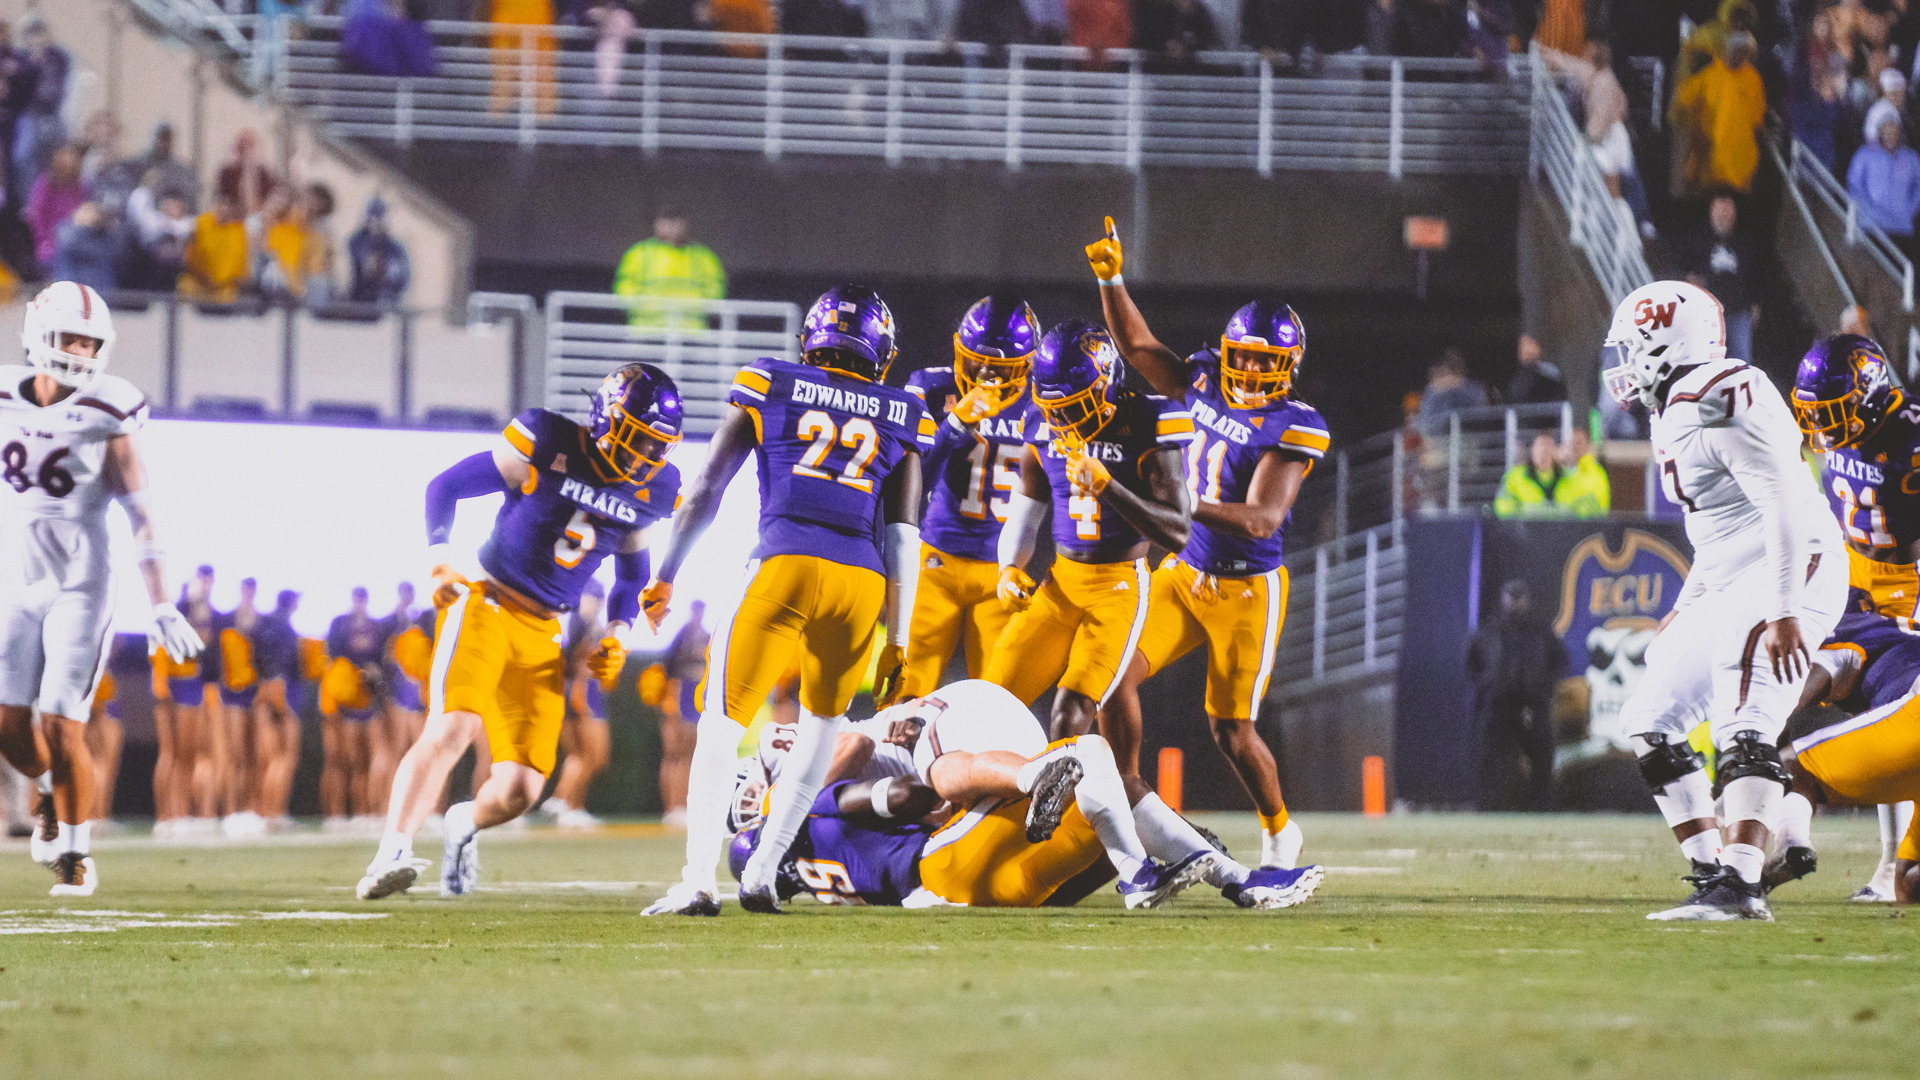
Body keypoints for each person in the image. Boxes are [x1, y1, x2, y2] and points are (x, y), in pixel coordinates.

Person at [639, 286, 933, 917]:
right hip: (860, 583)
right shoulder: (903, 409)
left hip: (783, 563)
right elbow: (904, 534)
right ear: (880, 353)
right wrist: (900, 638)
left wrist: (666, 573)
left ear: (812, 339)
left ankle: (698, 880)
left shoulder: (769, 382)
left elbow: (704, 490)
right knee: (822, 729)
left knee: (720, 724)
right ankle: (764, 872)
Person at [357, 363, 682, 900]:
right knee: (454, 728)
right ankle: (391, 852)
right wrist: (439, 559)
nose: (642, 457)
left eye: (654, 447)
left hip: (546, 632)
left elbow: (631, 574)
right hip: (486, 600)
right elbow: (447, 486)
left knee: (520, 790)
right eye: (635, 440)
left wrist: (619, 634)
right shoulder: (548, 439)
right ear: (606, 420)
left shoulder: (655, 488)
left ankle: (462, 824)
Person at [1602, 279, 1847, 921]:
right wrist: (1689, 603)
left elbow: (1784, 506)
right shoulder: (1674, 410)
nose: (1624, 365)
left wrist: (1786, 607)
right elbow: (1716, 535)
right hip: (1738, 573)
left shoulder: (1719, 397)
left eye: (1633, 347)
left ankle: (1740, 887)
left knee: (1746, 718)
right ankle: (1717, 870)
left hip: (1791, 565)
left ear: (1664, 344)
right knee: (1649, 716)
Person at [1085, 220, 1321, 871]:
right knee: (1110, 676)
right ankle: (1130, 797)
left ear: (1286, 368)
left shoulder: (1293, 424)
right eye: (1240, 355)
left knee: (1231, 730)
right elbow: (1134, 343)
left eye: (1261, 360)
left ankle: (1279, 832)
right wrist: (1111, 278)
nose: (1246, 368)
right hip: (1184, 572)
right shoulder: (1203, 380)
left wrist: (1180, 505)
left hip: (1247, 590)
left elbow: (1261, 519)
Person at [730, 679, 1323, 909]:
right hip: (941, 856)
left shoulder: (810, 858)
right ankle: (1185, 868)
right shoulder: (817, 802)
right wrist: (792, 797)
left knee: (1091, 804)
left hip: (972, 884)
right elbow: (904, 794)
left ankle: (1160, 867)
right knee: (1092, 761)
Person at [0, 283, 204, 894]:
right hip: (17, 578)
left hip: (81, 584)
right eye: (72, 339)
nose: (82, 354)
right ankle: (45, 793)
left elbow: (141, 512)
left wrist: (162, 600)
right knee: (8, 724)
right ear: (40, 335)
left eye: (92, 342)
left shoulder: (108, 408)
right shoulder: (5, 394)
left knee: (64, 723)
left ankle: (76, 852)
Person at [981, 319, 1194, 745]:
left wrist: (1108, 487)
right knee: (987, 704)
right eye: (1053, 407)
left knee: (1070, 713)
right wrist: (1007, 567)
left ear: (1107, 384)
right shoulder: (1040, 423)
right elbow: (1027, 508)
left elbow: (1178, 531)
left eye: (1074, 405)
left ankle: (1057, 810)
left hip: (1119, 589)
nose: (1062, 417)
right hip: (1060, 584)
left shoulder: (1150, 420)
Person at [1790, 334, 1920, 901]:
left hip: (1910, 579)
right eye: (1814, 413)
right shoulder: (1834, 435)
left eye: (1833, 412)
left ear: (1868, 396)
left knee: (1900, 707)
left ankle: (1893, 861)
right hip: (1857, 575)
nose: (1822, 427)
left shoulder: (1912, 437)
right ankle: (1886, 861)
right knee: (1854, 695)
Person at [900, 297, 1040, 700]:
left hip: (1002, 569)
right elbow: (912, 478)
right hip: (936, 560)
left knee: (997, 700)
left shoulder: (1042, 404)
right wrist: (956, 423)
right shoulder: (932, 386)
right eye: (976, 359)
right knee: (903, 692)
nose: (983, 371)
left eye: (999, 366)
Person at [1465, 580, 1566, 810]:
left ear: (1527, 600)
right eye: (1512, 597)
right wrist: (1486, 685)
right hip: (1498, 704)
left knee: (1542, 756)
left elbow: (1560, 661)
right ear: (1504, 599)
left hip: (1534, 703)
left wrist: (1545, 686)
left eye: (1520, 597)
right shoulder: (1490, 630)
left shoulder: (1541, 631)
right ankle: (1486, 805)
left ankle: (1541, 806)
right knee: (1489, 757)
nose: (1515, 603)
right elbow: (1471, 663)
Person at [543, 581, 612, 827]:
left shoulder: (576, 623)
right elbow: (580, 661)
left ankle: (573, 808)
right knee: (592, 755)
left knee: (579, 755)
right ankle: (561, 798)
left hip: (573, 690)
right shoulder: (583, 624)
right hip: (584, 692)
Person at [1670, 30, 1767, 197]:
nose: (1741, 56)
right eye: (1738, 50)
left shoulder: (1753, 79)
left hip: (1741, 163)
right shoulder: (1711, 75)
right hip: (1712, 162)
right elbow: (1684, 96)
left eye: (1746, 52)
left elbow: (1757, 119)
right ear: (1728, 50)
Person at [213, 577, 269, 836]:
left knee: (254, 756)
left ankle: (251, 810)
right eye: (246, 589)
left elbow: (265, 661)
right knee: (233, 755)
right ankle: (230, 811)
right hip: (233, 694)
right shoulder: (227, 620)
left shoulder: (260, 623)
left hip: (254, 693)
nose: (249, 593)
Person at [611, 209, 726, 332]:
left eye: (676, 223)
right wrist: (640, 306)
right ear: (656, 225)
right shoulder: (639, 253)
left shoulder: (703, 256)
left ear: (685, 225)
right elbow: (624, 285)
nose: (671, 228)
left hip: (690, 329)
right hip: (648, 329)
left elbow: (716, 288)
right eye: (666, 223)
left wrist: (697, 306)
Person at [1685, 194, 1762, 364]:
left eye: (1726, 215)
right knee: (1705, 360)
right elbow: (1688, 271)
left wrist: (1755, 304)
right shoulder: (1699, 240)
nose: (1722, 219)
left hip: (1738, 312)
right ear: (1711, 214)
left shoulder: (1744, 242)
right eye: (1719, 214)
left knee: (1741, 362)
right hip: (1709, 314)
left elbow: (1754, 274)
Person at [252, 589, 304, 829]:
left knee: (270, 759)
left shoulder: (264, 625)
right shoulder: (283, 628)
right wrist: (280, 697)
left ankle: (267, 812)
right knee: (284, 758)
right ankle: (274, 813)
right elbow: (280, 664)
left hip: (264, 690)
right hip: (282, 692)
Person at [657, 597, 707, 824]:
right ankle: (673, 807)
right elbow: (671, 669)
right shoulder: (683, 636)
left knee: (687, 755)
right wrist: (671, 704)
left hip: (693, 698)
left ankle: (682, 806)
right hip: (680, 696)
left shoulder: (705, 636)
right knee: (676, 754)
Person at [12, 17, 69, 195]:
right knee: (24, 156)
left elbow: (61, 87)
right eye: (32, 33)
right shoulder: (21, 58)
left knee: (53, 159)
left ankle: (47, 198)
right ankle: (26, 198)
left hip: (52, 115)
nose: (37, 37)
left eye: (40, 32)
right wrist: (34, 61)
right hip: (29, 114)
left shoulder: (58, 57)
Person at [1847, 116, 1920, 256]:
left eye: (1895, 130)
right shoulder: (1865, 154)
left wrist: (1911, 208)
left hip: (1901, 227)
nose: (1891, 134)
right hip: (1871, 226)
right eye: (1887, 129)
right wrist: (1867, 212)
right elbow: (1854, 186)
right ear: (1880, 132)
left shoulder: (1911, 157)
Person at [24, 143, 88, 272]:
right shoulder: (44, 183)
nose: (69, 162)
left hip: (73, 239)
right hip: (47, 241)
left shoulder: (81, 186)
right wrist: (46, 241)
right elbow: (36, 216)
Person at [180, 192, 252, 303]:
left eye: (226, 208)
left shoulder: (238, 231)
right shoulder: (200, 224)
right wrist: (201, 275)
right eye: (219, 207)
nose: (222, 212)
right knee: (184, 285)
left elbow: (241, 267)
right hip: (198, 282)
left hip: (224, 287)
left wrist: (221, 280)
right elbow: (189, 258)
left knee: (230, 296)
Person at [489, 0, 558, 116]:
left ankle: (543, 111)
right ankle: (501, 110)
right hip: (509, 20)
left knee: (541, 70)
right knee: (503, 70)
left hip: (535, 20)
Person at [342, 0, 438, 77]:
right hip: (373, 83)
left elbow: (421, 66)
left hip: (403, 86)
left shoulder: (413, 25)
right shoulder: (364, 21)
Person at [1493, 433, 1572, 519]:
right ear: (1533, 450)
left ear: (1556, 450)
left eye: (1548, 447)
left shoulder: (1569, 476)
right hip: (1526, 529)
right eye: (1540, 447)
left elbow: (1581, 505)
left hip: (1563, 529)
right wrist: (1519, 515)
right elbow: (1502, 504)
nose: (1544, 451)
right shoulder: (1515, 476)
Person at [347, 198, 410, 305]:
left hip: (386, 303)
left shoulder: (395, 249)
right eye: (371, 219)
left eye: (379, 218)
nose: (375, 223)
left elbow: (401, 278)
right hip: (359, 303)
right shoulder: (356, 243)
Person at [52, 202, 122, 295]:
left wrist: (104, 226)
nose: (92, 215)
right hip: (73, 293)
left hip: (103, 294)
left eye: (95, 211)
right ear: (76, 213)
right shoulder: (67, 233)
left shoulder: (105, 237)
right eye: (87, 211)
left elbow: (115, 255)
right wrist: (83, 228)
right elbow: (68, 246)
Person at [1134, 0, 1219, 69]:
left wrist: (1186, 46)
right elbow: (1140, 36)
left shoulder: (1194, 8)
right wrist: (1163, 46)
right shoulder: (1144, 8)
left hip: (1190, 76)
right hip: (1150, 73)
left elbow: (1206, 37)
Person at [216, 131, 278, 220]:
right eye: (242, 147)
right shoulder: (227, 172)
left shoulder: (264, 173)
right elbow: (224, 201)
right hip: (235, 221)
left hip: (260, 218)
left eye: (250, 145)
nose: (246, 150)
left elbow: (269, 200)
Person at [1507, 334, 1565, 404]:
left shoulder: (1551, 371)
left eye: (1528, 343)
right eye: (1521, 345)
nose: (1524, 348)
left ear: (1538, 346)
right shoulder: (1518, 378)